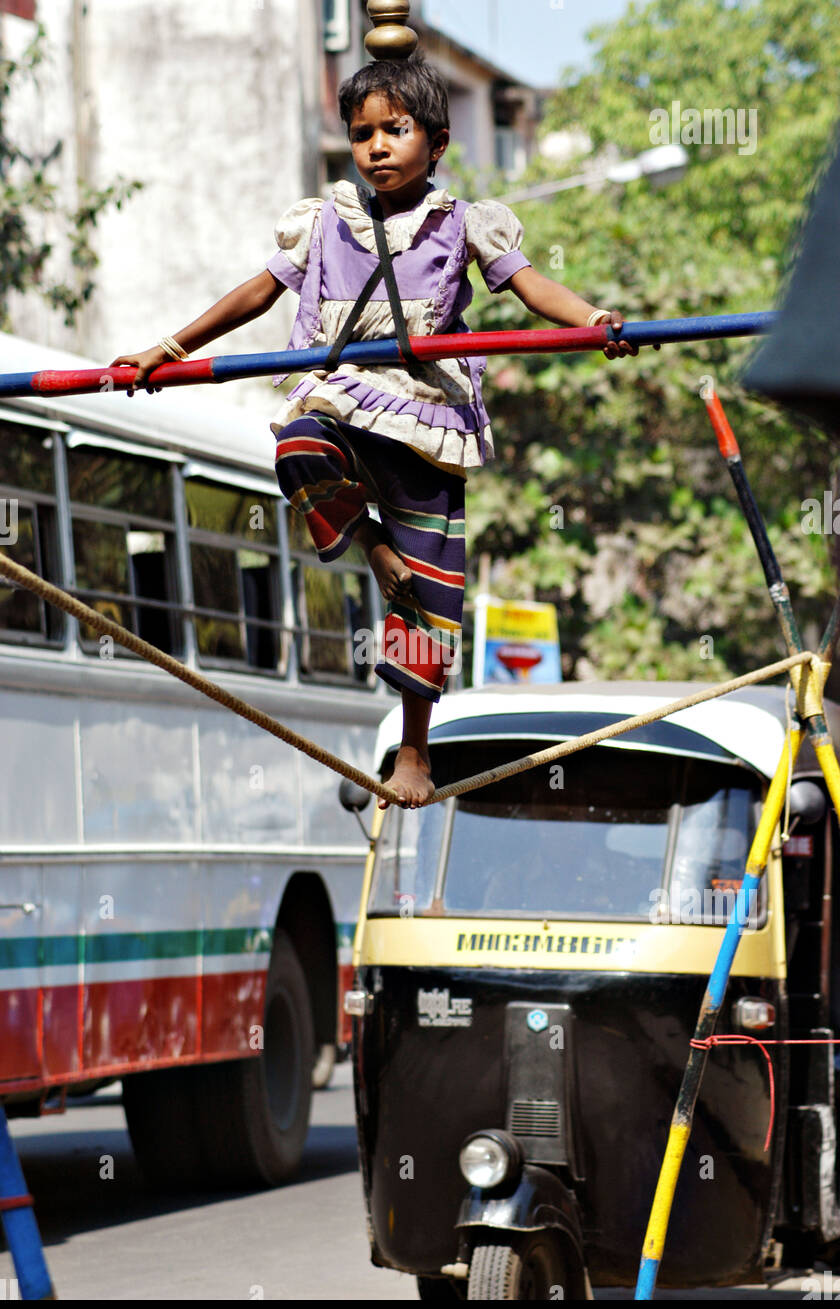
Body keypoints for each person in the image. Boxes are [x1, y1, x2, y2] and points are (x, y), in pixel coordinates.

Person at [111, 53, 642, 810]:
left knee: (427, 598)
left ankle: (416, 751)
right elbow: (256, 293)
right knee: (297, 444)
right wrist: (168, 349)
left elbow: (531, 288)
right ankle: (372, 545)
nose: (378, 147)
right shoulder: (324, 219)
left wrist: (593, 320)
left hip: (427, 420)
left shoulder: (464, 225)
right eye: (363, 134)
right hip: (346, 398)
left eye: (396, 129)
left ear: (438, 140)